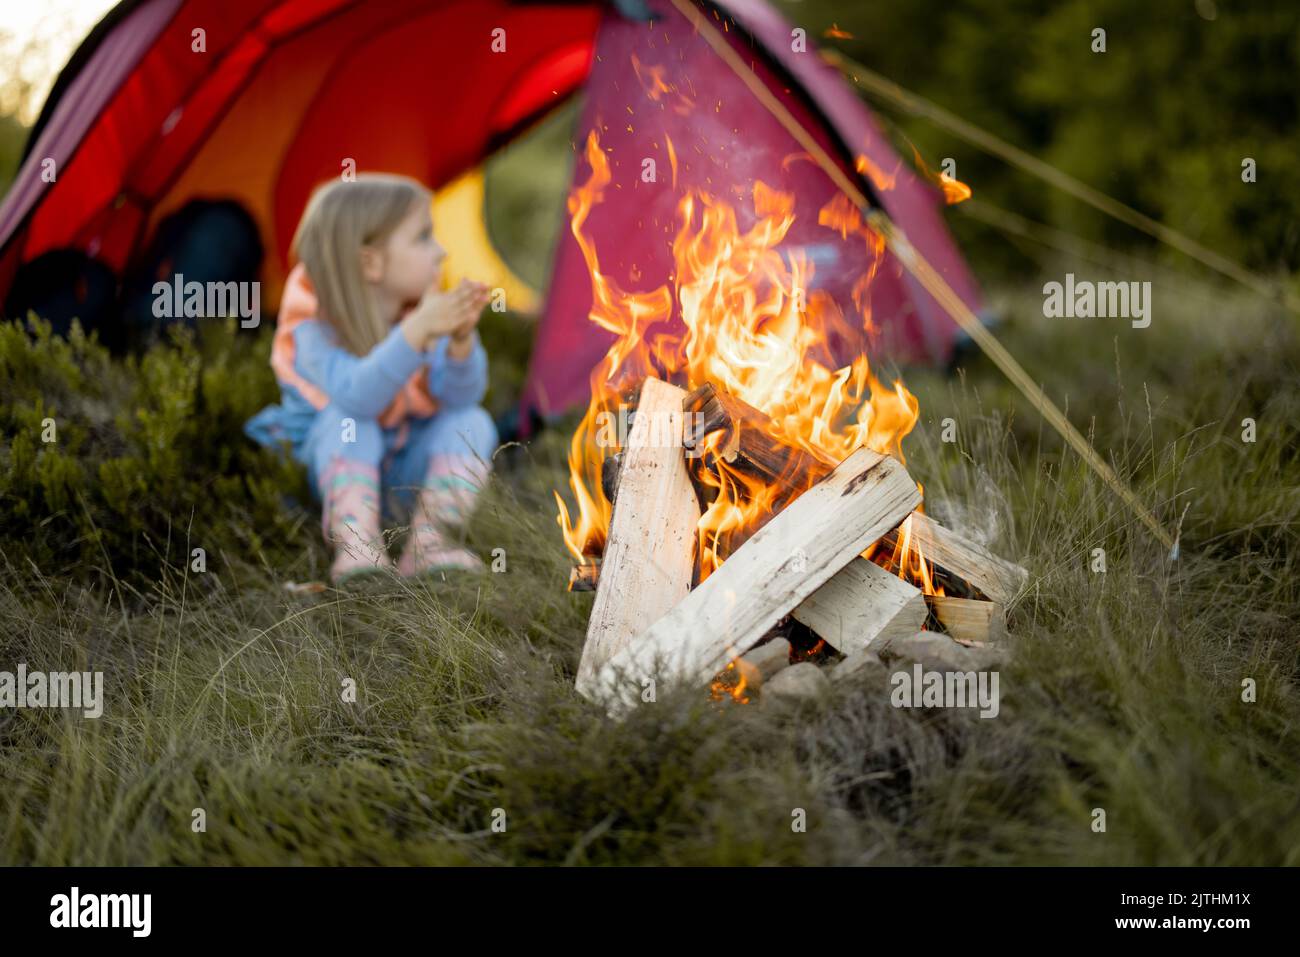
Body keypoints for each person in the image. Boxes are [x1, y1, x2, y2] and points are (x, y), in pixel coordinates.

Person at [245, 174, 497, 583]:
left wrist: (460, 341)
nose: (441, 251)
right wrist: (415, 335)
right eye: (423, 237)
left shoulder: (417, 312)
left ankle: (431, 542)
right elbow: (357, 396)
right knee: (349, 420)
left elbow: (459, 397)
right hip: (328, 480)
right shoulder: (312, 330)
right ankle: (357, 547)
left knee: (472, 421)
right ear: (370, 262)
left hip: (397, 477)